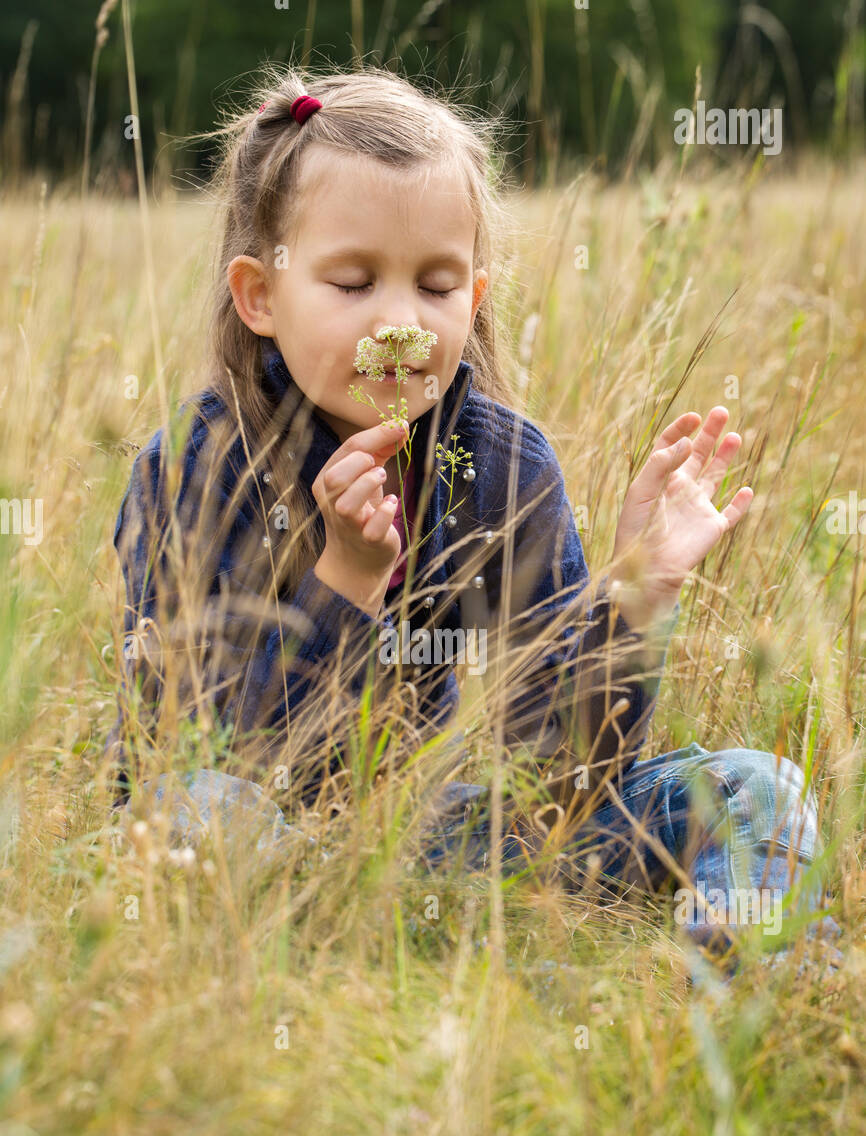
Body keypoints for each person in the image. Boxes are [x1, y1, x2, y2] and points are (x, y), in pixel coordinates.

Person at [101, 66, 836, 968]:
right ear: (260, 295)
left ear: (475, 299)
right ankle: (320, 941)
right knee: (195, 812)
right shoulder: (193, 467)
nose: (400, 322)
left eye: (437, 287)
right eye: (354, 281)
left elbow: (558, 770)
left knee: (756, 788)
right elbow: (213, 750)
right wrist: (348, 581)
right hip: (262, 830)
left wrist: (634, 595)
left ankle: (741, 969)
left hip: (443, 838)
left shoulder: (505, 466)